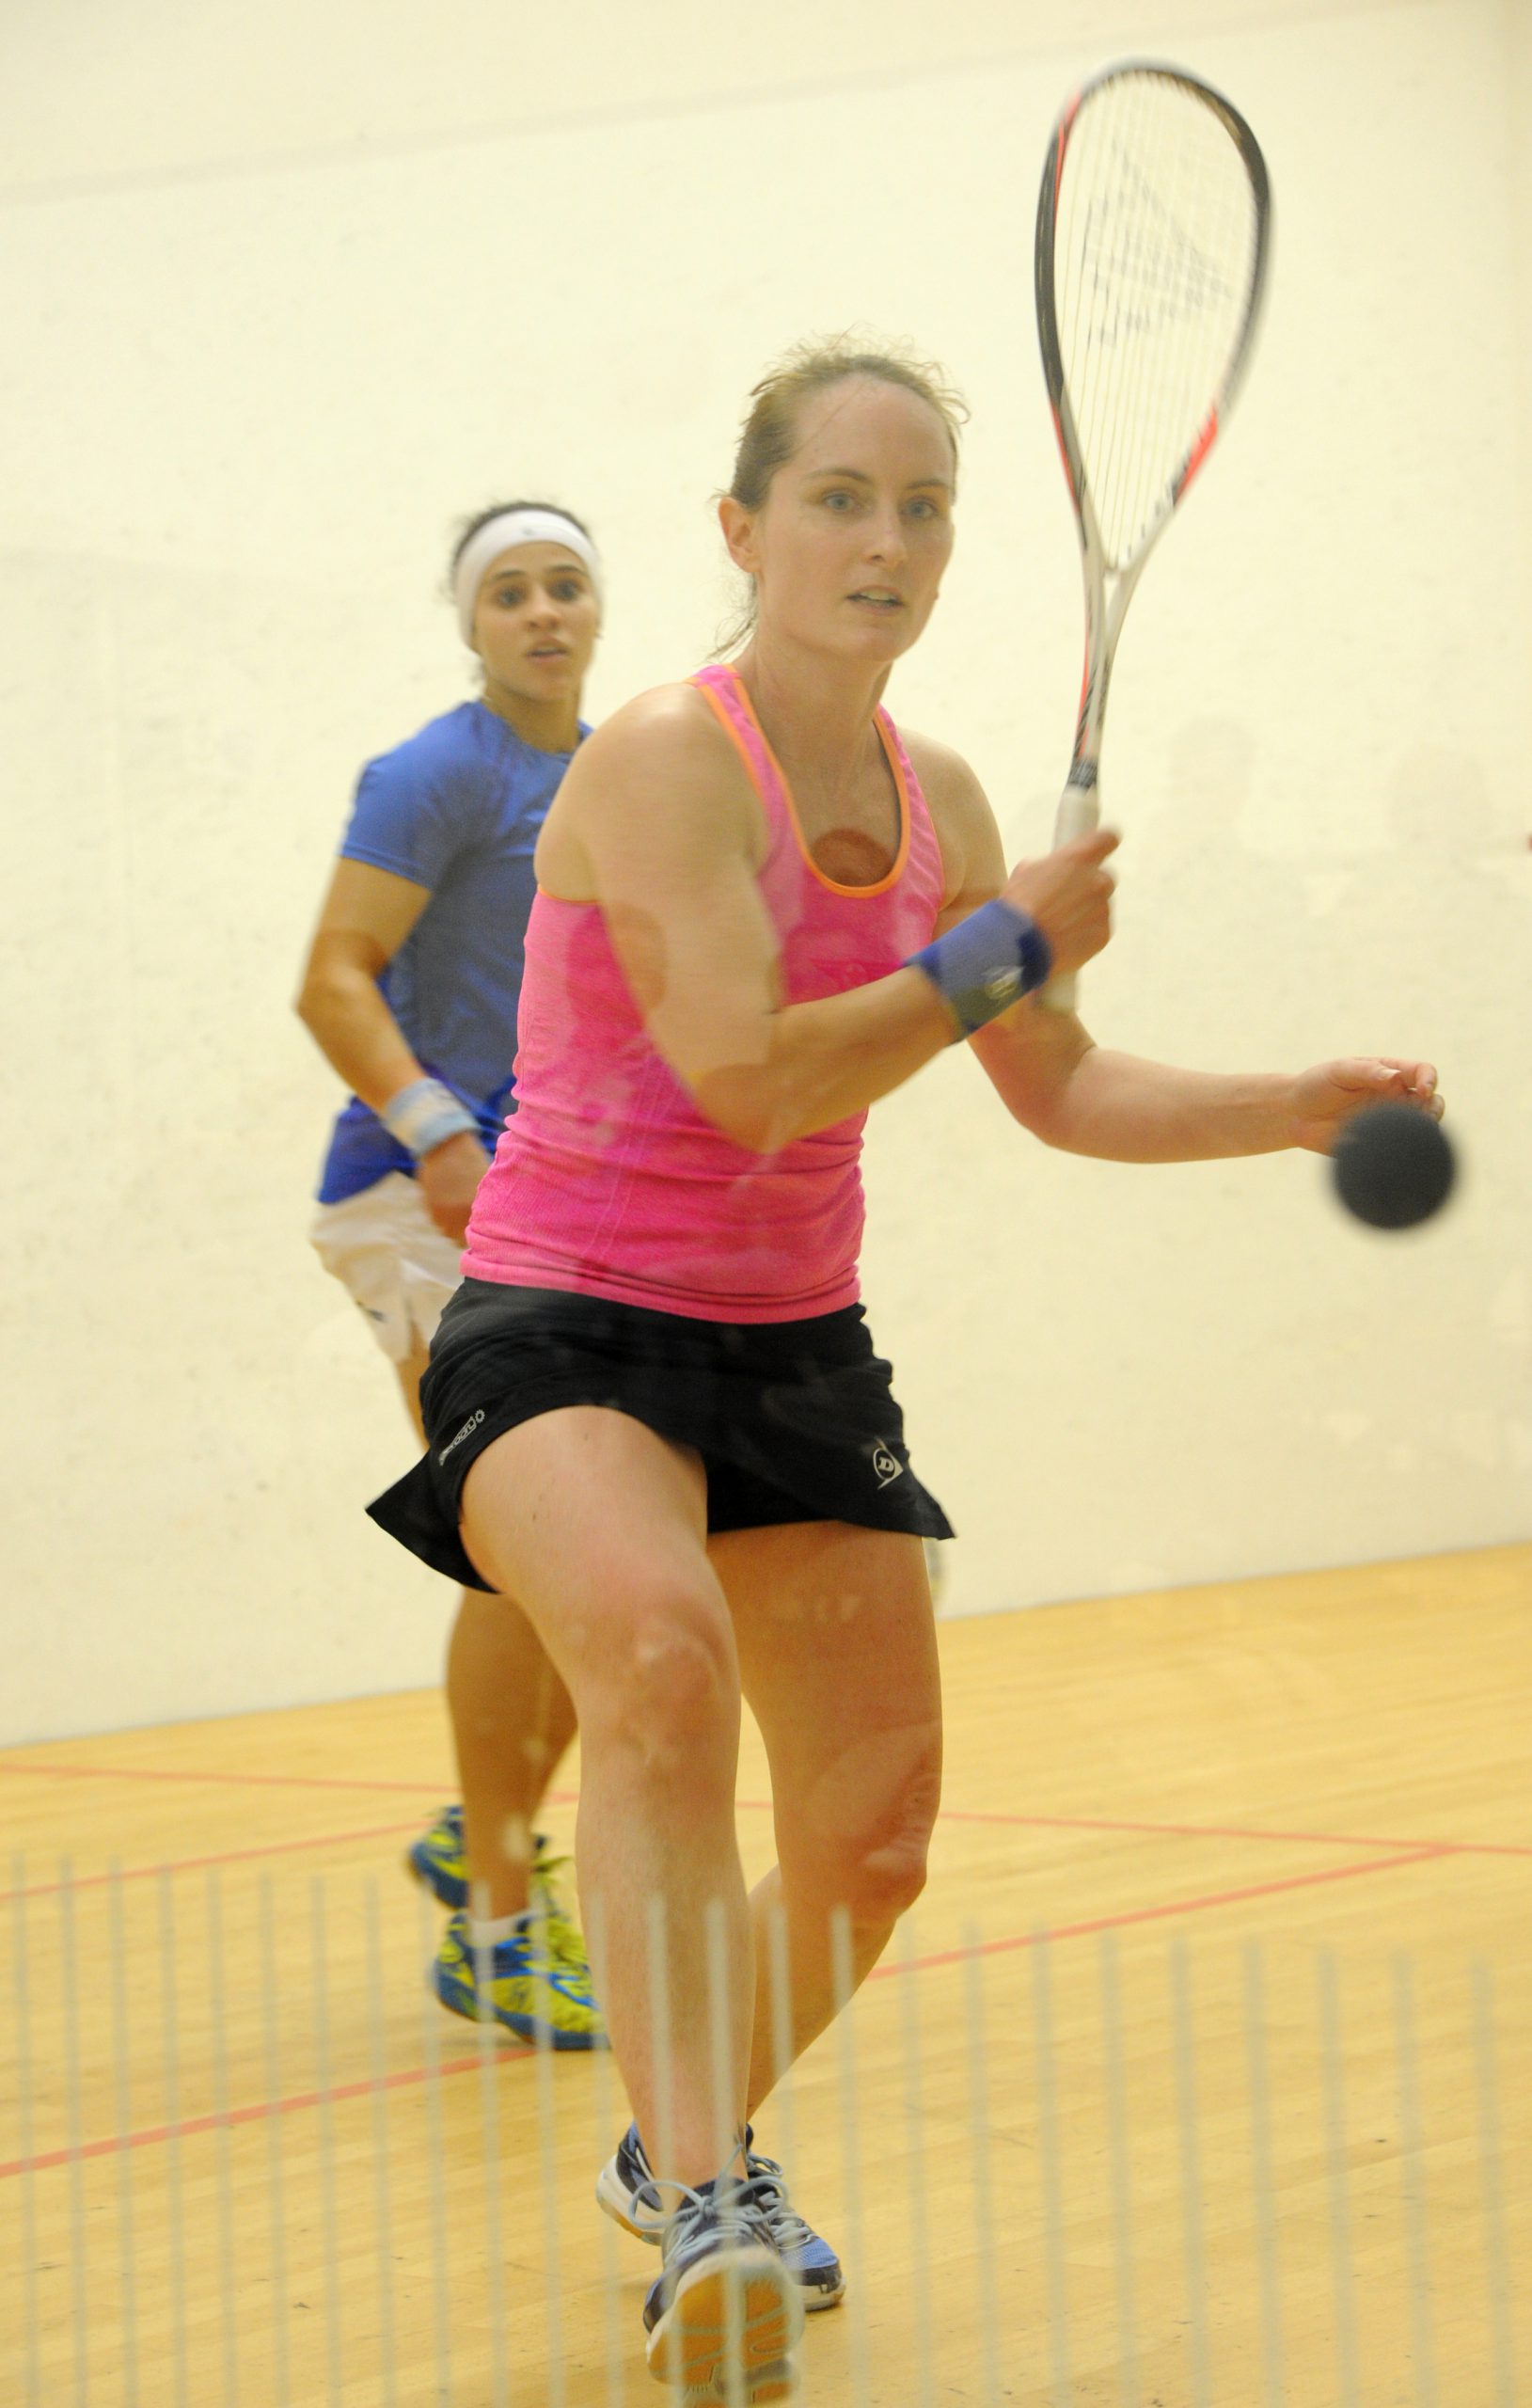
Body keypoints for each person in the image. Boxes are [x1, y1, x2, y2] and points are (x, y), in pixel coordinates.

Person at [366, 342, 1444, 2400]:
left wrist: (1278, 1102)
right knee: (659, 1666)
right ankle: (711, 2195)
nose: (882, 538)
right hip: (562, 1315)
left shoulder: (937, 797)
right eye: (839, 497)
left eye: (921, 505)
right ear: (741, 528)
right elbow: (752, 1076)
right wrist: (985, 955)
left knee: (869, 1835)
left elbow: (1056, 1085)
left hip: (789, 1338)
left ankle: (665, 2140)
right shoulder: (665, 762)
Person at [296, 501, 608, 2048]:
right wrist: (433, 1131)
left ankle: (476, 1835)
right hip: (417, 1200)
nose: (542, 612)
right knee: (522, 1546)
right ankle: (493, 1915)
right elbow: (332, 973)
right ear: (469, 624)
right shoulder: (434, 776)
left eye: (565, 585)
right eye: (509, 592)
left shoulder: (621, 774)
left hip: (551, 1210)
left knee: (581, 1561)